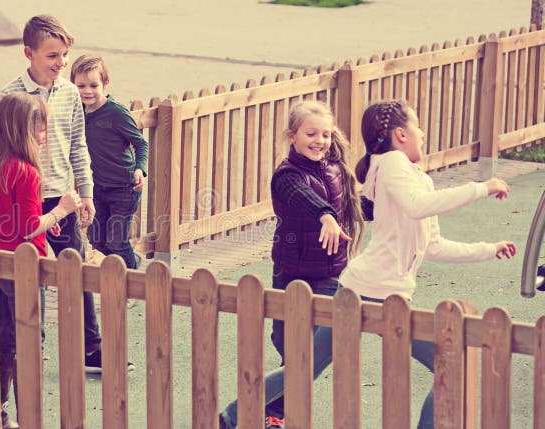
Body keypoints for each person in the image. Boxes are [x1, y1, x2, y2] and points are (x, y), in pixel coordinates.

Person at [337, 99, 515, 428]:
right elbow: (418, 206)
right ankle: (231, 418)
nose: (423, 132)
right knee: (448, 360)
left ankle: (231, 417)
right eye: (418, 126)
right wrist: (482, 187)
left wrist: (489, 248)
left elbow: (432, 245)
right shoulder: (391, 163)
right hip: (367, 289)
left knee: (447, 361)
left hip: (385, 292)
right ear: (401, 134)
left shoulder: (415, 176)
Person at [219, 100, 368, 429]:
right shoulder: (286, 175)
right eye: (311, 133)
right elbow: (302, 196)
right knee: (287, 344)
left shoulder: (337, 170)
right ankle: (268, 411)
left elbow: (356, 204)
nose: (320, 140)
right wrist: (325, 215)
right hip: (292, 272)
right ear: (292, 136)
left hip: (330, 274)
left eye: (325, 134)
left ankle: (270, 415)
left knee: (308, 353)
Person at [0, 14, 129, 374]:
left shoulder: (70, 94)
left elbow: (77, 148)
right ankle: (30, 347)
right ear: (29, 53)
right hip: (24, 202)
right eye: (52, 56)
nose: (61, 63)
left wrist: (84, 194)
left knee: (77, 271)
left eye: (64, 55)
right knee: (28, 275)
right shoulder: (10, 96)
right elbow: (2, 153)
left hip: (63, 199)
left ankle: (91, 349)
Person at [0, 92, 81, 429]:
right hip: (26, 268)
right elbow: (28, 226)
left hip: (0, 262)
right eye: (40, 129)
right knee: (31, 339)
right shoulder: (27, 172)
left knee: (7, 336)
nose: (43, 135)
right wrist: (61, 210)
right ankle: (29, 417)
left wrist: (36, 227)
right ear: (23, 130)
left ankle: (0, 411)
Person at [70, 53, 148, 270]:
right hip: (96, 189)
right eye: (81, 85)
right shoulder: (77, 113)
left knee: (117, 242)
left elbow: (141, 144)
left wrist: (140, 169)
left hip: (124, 188)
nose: (87, 91)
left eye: (94, 85)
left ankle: (132, 282)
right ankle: (128, 267)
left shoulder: (116, 113)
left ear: (105, 83)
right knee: (97, 240)